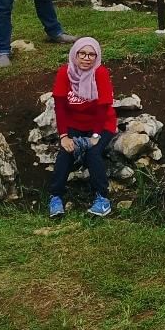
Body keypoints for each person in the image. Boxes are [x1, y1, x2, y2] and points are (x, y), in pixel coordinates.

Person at [48, 37, 117, 219]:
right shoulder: (65, 73)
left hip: (102, 123)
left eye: (91, 55)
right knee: (66, 151)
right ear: (75, 54)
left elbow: (103, 107)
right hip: (74, 123)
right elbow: (60, 107)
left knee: (93, 152)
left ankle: (102, 199)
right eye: (83, 54)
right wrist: (64, 135)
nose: (87, 58)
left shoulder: (100, 73)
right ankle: (55, 197)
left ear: (97, 57)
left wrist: (95, 136)